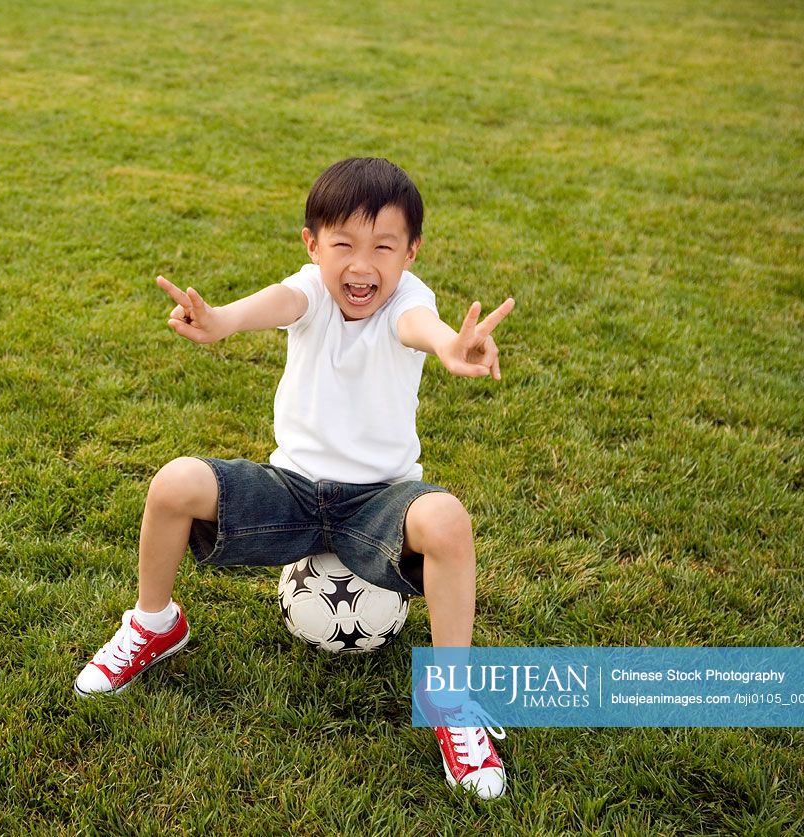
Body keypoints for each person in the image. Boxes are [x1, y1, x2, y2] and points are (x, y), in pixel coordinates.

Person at [74, 157, 516, 800]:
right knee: (174, 483)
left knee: (446, 518)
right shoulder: (310, 290)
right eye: (343, 245)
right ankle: (155, 623)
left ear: (411, 253)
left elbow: (419, 328)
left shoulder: (410, 302)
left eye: (384, 247)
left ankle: (450, 700)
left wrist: (452, 346)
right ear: (313, 245)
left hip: (378, 502)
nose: (362, 266)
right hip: (293, 493)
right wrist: (222, 319)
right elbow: (282, 301)